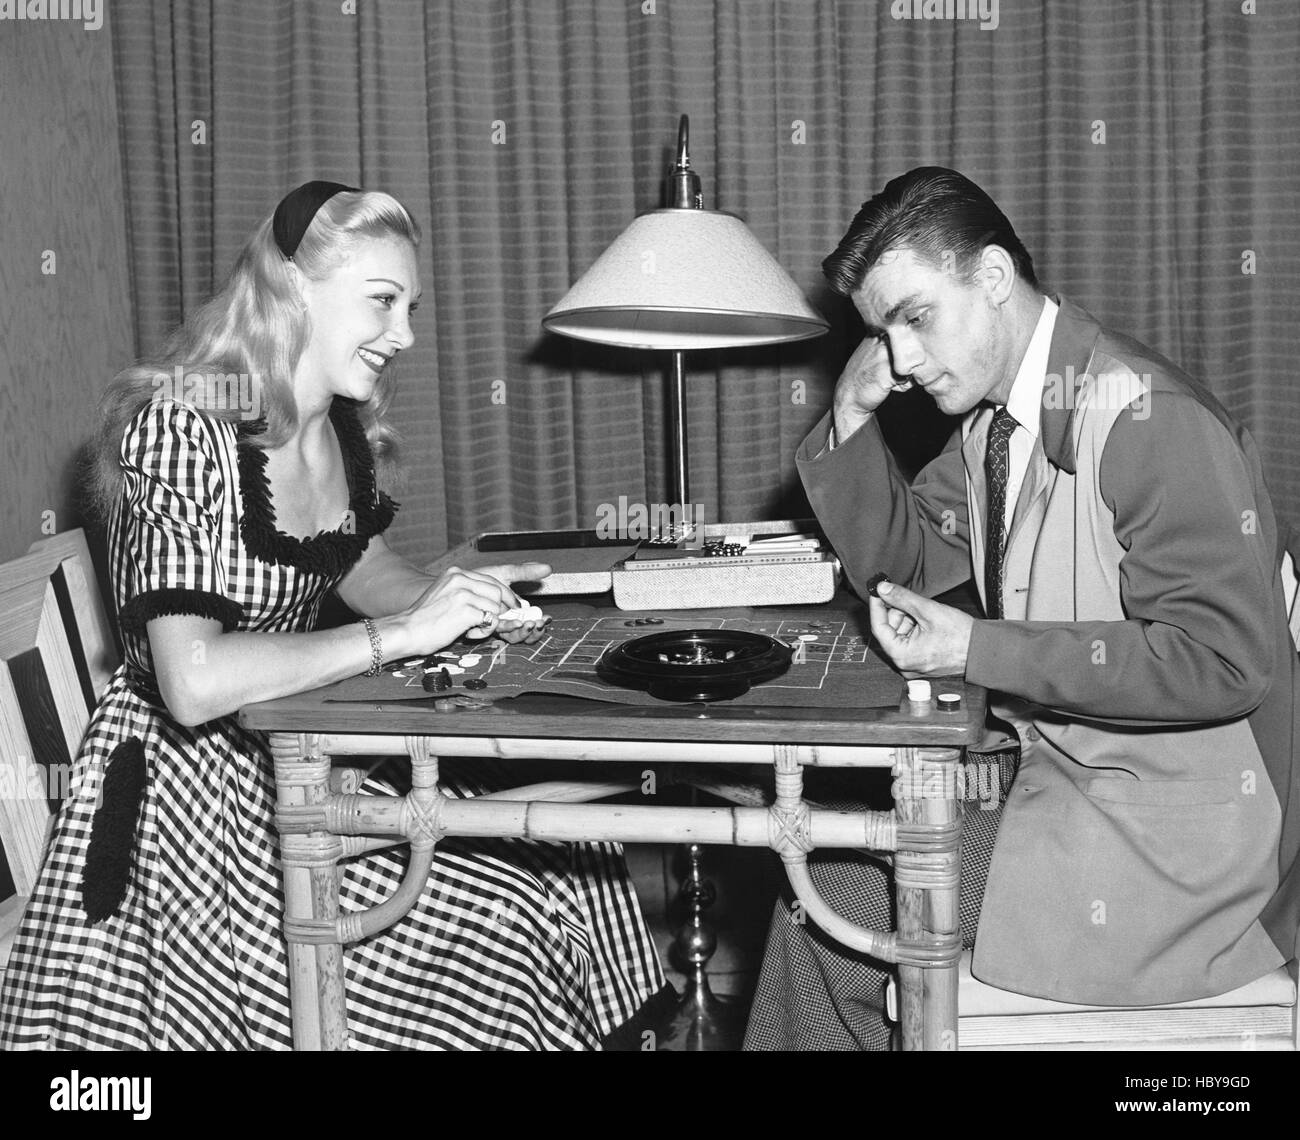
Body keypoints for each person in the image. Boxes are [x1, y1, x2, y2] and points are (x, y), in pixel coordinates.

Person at [0, 181, 670, 1050]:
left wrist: (453, 597)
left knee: (573, 858)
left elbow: (357, 563)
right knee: (505, 915)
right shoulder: (182, 425)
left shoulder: (335, 425)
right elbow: (194, 682)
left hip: (299, 744)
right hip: (195, 801)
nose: (405, 335)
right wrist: (399, 636)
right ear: (292, 288)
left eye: (411, 306)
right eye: (383, 303)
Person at [745, 166, 1300, 1050]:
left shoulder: (1145, 415)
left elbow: (1226, 664)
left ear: (994, 277)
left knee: (818, 910)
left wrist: (979, 650)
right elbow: (907, 566)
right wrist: (851, 412)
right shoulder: (999, 418)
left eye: (915, 318)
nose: (901, 359)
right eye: (881, 333)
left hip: (1190, 846)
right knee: (818, 900)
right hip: (1091, 798)